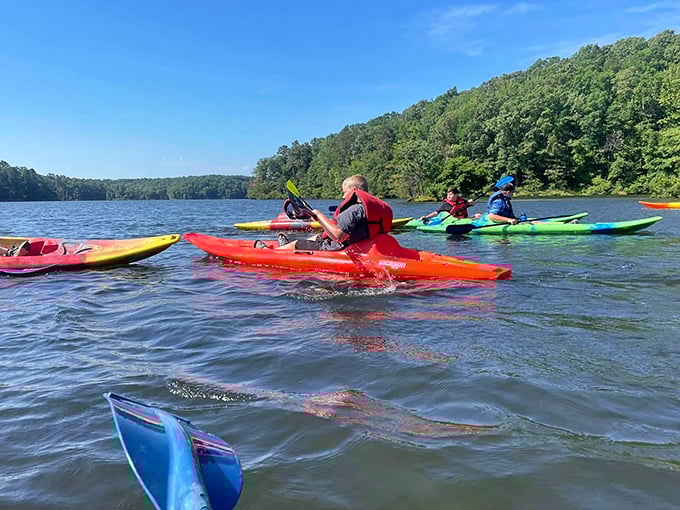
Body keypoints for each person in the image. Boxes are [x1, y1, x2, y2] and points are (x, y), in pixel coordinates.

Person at [255, 174, 392, 251]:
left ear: (354, 189)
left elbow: (339, 237)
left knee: (297, 244)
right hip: (360, 243)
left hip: (341, 247)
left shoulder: (352, 210)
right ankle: (285, 245)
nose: (343, 197)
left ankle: (274, 252)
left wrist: (319, 215)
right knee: (319, 237)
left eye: (345, 192)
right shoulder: (367, 208)